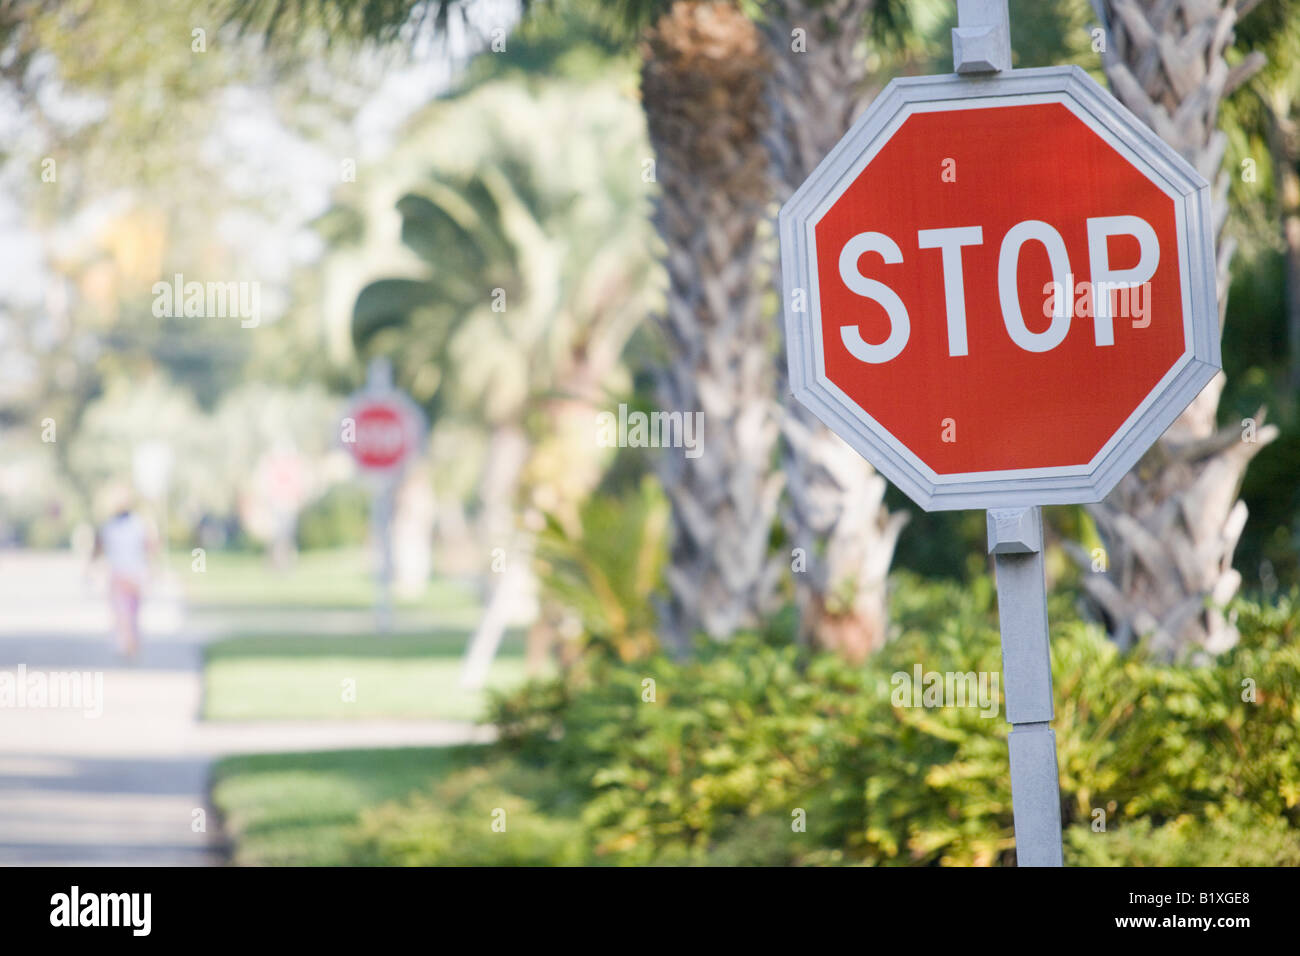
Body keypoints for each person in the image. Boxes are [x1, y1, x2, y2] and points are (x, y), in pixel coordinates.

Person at [92, 491, 156, 658]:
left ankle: (126, 644)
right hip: (135, 574)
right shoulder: (139, 524)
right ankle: (131, 643)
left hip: (119, 575)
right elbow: (149, 546)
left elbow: (98, 547)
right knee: (132, 611)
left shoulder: (110, 526)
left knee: (122, 612)